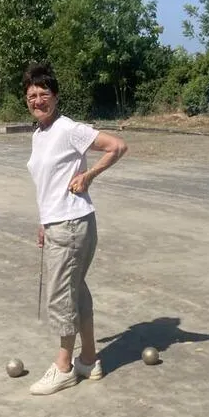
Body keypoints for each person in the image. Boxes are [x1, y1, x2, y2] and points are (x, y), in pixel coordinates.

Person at [23, 63, 128, 395]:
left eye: (44, 94)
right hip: (59, 222)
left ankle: (64, 366)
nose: (38, 100)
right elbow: (48, 183)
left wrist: (89, 176)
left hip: (72, 223)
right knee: (76, 291)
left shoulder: (69, 129)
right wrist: (43, 221)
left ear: (55, 96)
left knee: (61, 296)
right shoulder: (40, 134)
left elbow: (117, 146)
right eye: (32, 95)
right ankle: (90, 358)